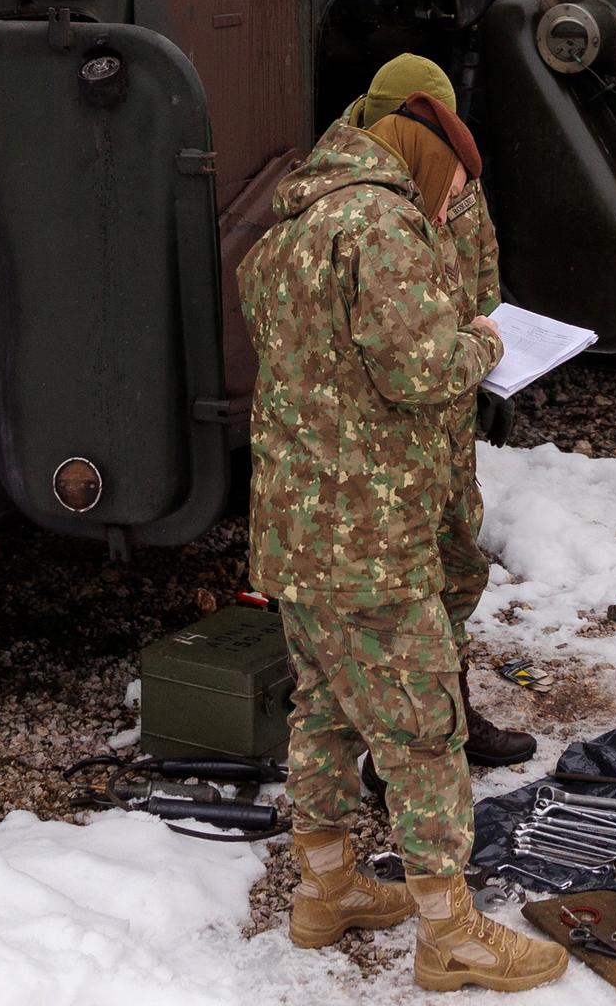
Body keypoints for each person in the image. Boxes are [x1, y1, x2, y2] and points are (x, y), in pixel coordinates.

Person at [241, 83, 565, 991]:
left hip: (297, 530)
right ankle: (450, 934)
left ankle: (326, 889)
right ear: (423, 154)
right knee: (424, 732)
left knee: (325, 710)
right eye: (454, 181)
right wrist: (487, 341)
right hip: (369, 540)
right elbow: (420, 370)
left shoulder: (287, 230)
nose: (455, 200)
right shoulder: (378, 228)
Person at [345, 55, 535, 769]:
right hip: (385, 430)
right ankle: (398, 745)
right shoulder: (354, 203)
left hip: (448, 408)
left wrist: (495, 361)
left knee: (456, 564)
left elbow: (482, 286)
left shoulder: (458, 184)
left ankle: (448, 714)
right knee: (394, 591)